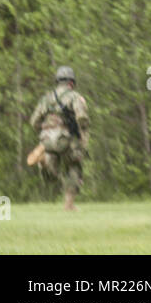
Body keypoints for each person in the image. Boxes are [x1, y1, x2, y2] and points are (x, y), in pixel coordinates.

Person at [28, 65, 90, 211]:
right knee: (74, 166)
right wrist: (82, 133)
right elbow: (81, 117)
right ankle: (69, 205)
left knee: (52, 175)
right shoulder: (75, 97)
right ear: (71, 82)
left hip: (46, 138)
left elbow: (34, 121)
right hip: (65, 138)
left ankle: (43, 161)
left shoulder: (47, 98)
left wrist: (44, 131)